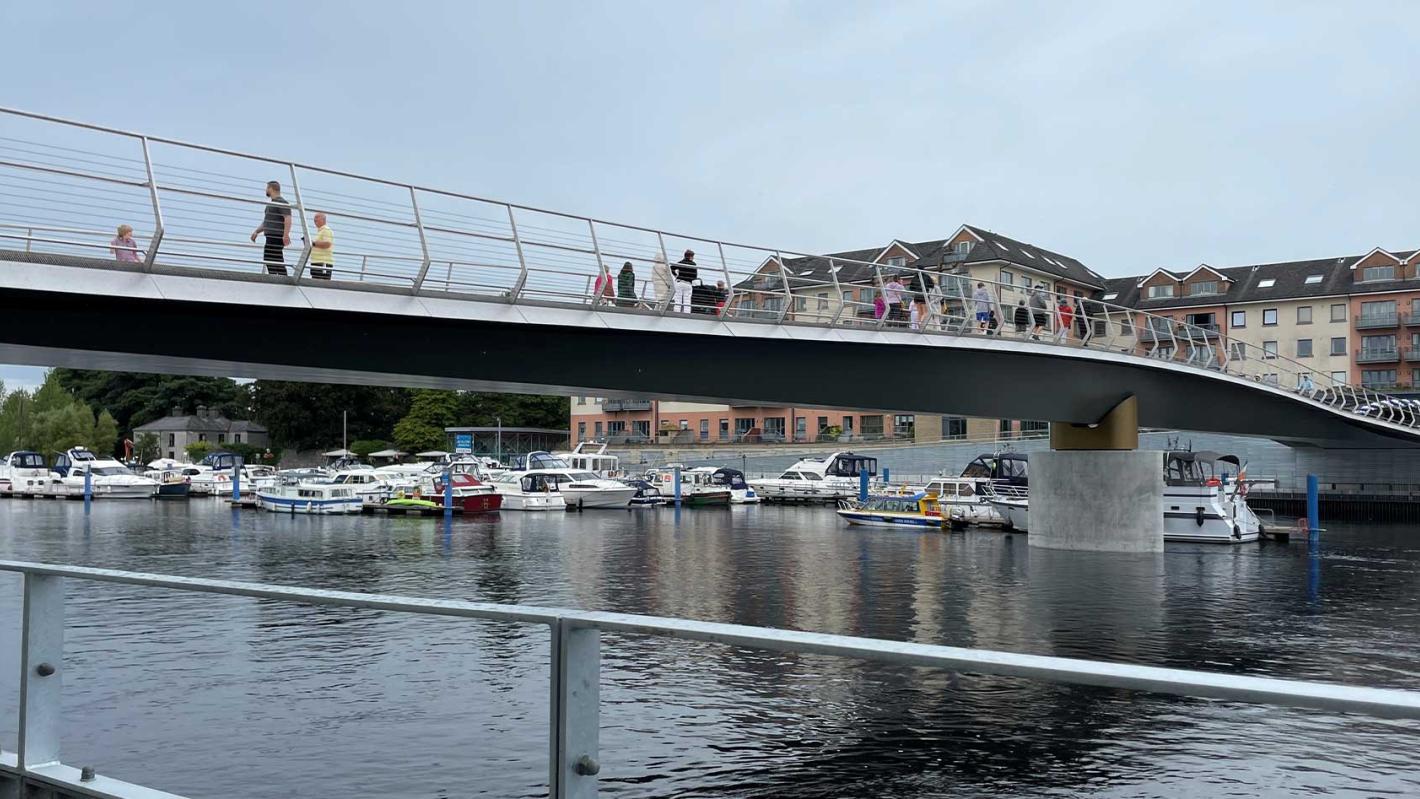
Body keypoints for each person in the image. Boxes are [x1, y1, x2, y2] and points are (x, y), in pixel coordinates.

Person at [250, 180, 291, 275]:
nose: (266, 190)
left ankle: (282, 279)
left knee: (273, 258)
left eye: (267, 188)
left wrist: (285, 235)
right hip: (270, 236)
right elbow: (266, 222)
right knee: (271, 258)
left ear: (271, 188)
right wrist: (256, 231)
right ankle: (277, 278)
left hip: (276, 236)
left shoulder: (282, 202)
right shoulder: (271, 204)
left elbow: (287, 218)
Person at [309, 211, 334, 279]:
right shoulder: (320, 231)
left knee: (320, 284)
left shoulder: (326, 230)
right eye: (314, 218)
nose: (314, 219)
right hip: (317, 262)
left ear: (323, 219)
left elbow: (327, 244)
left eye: (317, 217)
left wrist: (313, 243)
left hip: (323, 263)